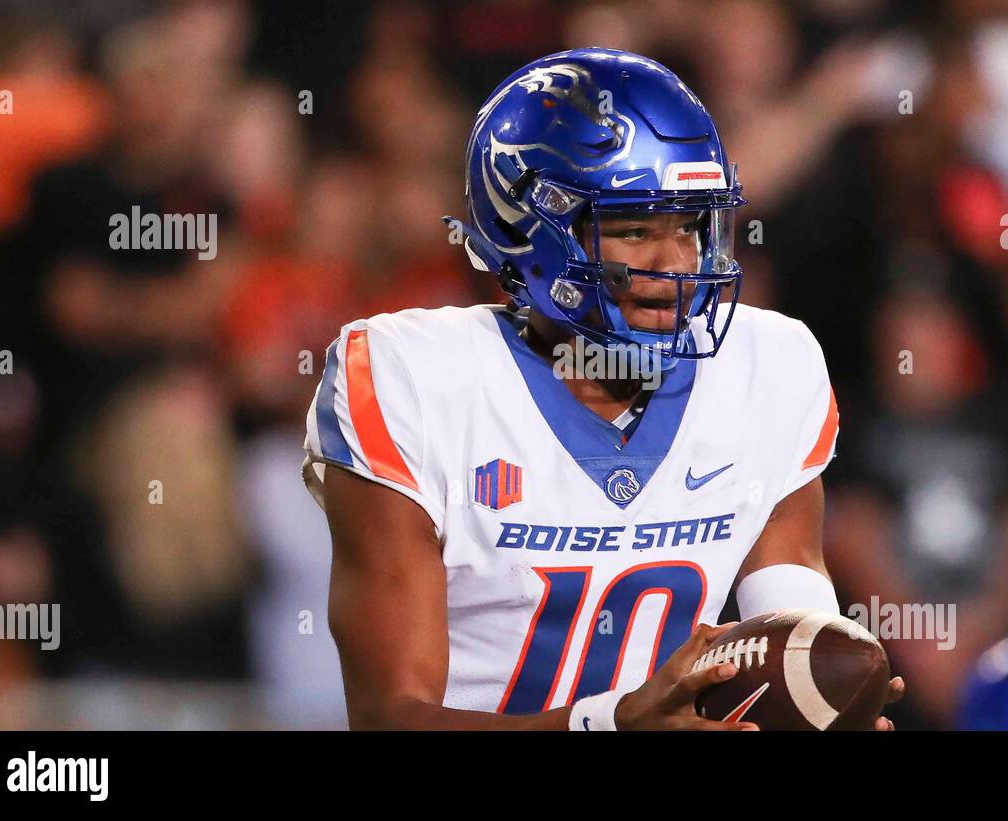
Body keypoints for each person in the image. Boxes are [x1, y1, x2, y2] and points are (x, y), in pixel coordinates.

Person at [302, 48, 902, 730]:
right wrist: (611, 724)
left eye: (691, 226)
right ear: (531, 229)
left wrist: (825, 697)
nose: (675, 263)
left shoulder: (771, 365)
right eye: (635, 228)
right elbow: (389, 719)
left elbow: (791, 620)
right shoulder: (412, 377)